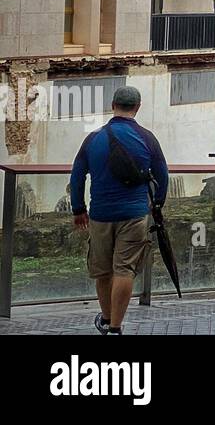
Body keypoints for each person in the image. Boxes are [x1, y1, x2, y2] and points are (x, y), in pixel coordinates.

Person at [69, 85, 169, 335]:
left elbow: (78, 174)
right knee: (124, 269)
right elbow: (162, 175)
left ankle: (105, 318)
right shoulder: (147, 138)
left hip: (101, 215)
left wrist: (78, 209)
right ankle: (115, 327)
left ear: (113, 105)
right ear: (137, 107)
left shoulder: (93, 139)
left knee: (103, 270)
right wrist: (157, 204)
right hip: (134, 214)